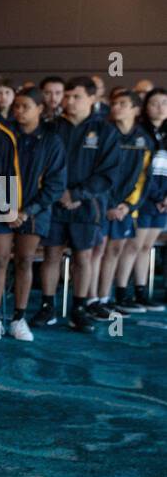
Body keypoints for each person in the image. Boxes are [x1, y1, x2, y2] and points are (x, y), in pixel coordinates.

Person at [0, 86, 66, 341]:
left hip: (34, 211)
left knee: (25, 261)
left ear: (40, 109)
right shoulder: (0, 134)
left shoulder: (52, 140)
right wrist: (6, 207)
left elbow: (56, 183)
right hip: (0, 208)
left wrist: (27, 211)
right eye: (16, 106)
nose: (18, 111)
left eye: (25, 106)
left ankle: (19, 318)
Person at [35, 77, 119, 332]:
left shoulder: (105, 131)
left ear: (92, 99)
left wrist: (77, 194)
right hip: (54, 202)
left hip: (87, 205)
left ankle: (79, 308)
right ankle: (47, 306)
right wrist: (59, 193)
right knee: (51, 254)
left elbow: (109, 173)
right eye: (67, 96)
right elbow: (41, 164)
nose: (69, 101)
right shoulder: (51, 127)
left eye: (76, 97)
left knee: (84, 257)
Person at [87, 90, 153, 320]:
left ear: (135, 109)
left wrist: (127, 206)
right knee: (97, 251)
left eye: (123, 103)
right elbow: (97, 172)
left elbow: (144, 178)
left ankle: (106, 299)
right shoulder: (104, 133)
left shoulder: (144, 140)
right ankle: (91, 299)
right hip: (102, 204)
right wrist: (106, 204)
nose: (116, 107)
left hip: (125, 207)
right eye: (114, 103)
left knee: (115, 251)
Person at [125, 87, 167, 311]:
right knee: (134, 246)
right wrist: (156, 196)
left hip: (163, 202)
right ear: (145, 107)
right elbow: (140, 173)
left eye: (164, 103)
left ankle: (141, 292)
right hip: (144, 199)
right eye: (155, 103)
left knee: (147, 247)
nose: (160, 108)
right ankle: (124, 293)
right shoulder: (140, 133)